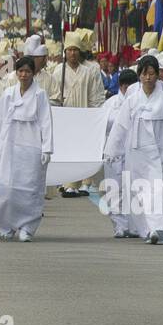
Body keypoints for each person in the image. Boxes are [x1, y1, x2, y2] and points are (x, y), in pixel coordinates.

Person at [105, 55, 163, 244]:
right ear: (139, 75)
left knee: (156, 190)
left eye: (152, 73)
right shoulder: (132, 100)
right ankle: (147, 230)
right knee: (138, 192)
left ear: (157, 76)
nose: (148, 78)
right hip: (137, 152)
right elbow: (120, 127)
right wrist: (111, 151)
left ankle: (156, 228)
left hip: (159, 152)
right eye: (144, 74)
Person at [0, 55, 52, 242]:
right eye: (20, 71)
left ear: (33, 73)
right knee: (7, 186)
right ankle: (6, 225)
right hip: (10, 144)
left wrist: (47, 148)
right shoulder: (9, 93)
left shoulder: (40, 95)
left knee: (29, 188)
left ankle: (27, 227)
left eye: (27, 71)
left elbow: (46, 122)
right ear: (16, 72)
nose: (23, 75)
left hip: (32, 145)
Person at [53, 29, 105, 198]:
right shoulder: (58, 71)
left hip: (83, 115)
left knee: (82, 150)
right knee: (67, 150)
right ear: (65, 52)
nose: (72, 53)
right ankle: (68, 183)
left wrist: (95, 114)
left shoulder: (88, 71)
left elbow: (95, 95)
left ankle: (82, 182)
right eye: (69, 50)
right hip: (66, 116)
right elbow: (54, 95)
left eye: (75, 50)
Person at [100, 70, 138, 237]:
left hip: (134, 152)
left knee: (133, 190)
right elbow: (101, 125)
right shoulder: (110, 104)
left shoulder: (139, 102)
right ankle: (119, 226)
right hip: (114, 153)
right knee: (114, 190)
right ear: (122, 87)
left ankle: (133, 225)